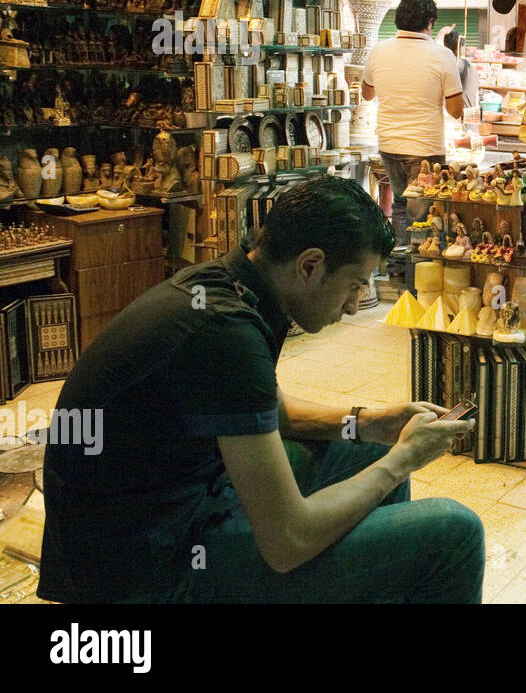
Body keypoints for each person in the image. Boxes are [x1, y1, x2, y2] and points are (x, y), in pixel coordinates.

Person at [38, 177, 484, 603]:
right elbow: (288, 540)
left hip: (175, 505)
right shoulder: (223, 331)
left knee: (362, 448)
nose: (354, 305)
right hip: (143, 573)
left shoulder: (232, 283)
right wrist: (403, 457)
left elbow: (266, 409)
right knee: (453, 533)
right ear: (310, 265)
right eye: (354, 285)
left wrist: (368, 422)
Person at [362, 0, 465, 262]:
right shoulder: (442, 56)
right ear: (430, 22)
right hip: (424, 149)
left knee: (399, 205)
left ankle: (399, 273)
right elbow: (455, 111)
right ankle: (417, 283)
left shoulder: (378, 51)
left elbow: (367, 93)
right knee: (424, 218)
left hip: (389, 145)